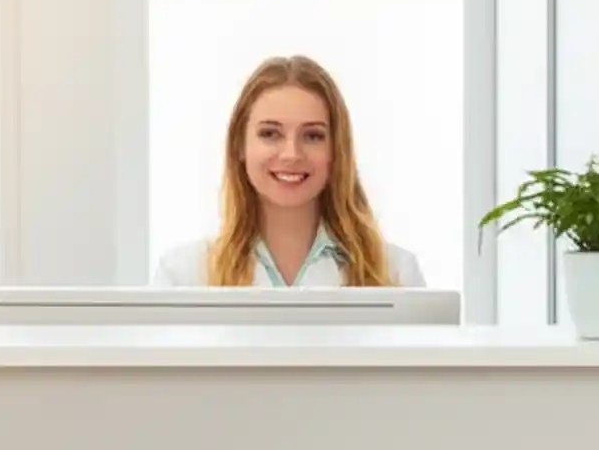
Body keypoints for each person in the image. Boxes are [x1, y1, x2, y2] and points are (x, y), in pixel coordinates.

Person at [153, 54, 425, 287]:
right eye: (270, 133)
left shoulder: (396, 274)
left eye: (313, 136)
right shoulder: (183, 276)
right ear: (240, 146)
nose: (292, 154)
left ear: (336, 150)